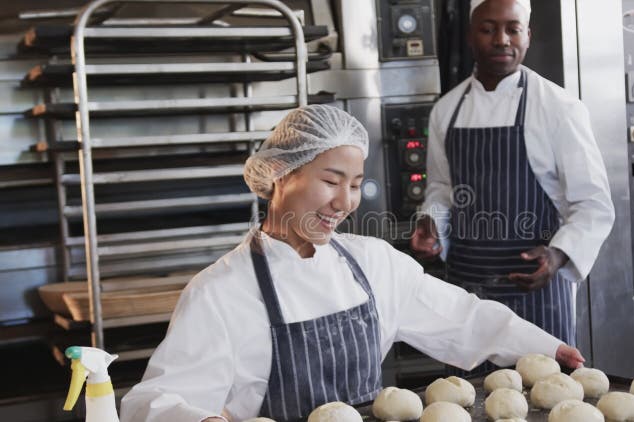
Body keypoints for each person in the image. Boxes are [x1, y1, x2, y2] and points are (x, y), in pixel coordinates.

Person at [120, 104, 585, 422]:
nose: (344, 202)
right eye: (330, 180)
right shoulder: (222, 292)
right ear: (281, 176)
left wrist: (548, 348)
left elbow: (464, 317)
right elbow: (153, 401)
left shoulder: (373, 263)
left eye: (357, 183)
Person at [411, 0, 615, 358]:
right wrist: (430, 223)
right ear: (470, 37)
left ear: (528, 36)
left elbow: (593, 204)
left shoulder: (559, 108)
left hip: (537, 293)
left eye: (513, 29)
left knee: (547, 401)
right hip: (466, 296)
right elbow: (443, 190)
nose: (502, 39)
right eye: (488, 29)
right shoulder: (447, 110)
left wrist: (558, 254)